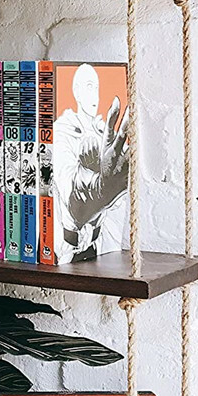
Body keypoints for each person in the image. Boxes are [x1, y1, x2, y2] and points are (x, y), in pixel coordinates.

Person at [52, 64, 129, 262]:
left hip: (99, 248)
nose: (94, 94)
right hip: (67, 253)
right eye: (88, 86)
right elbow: (66, 180)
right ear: (76, 92)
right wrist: (88, 184)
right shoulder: (62, 131)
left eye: (96, 87)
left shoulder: (105, 135)